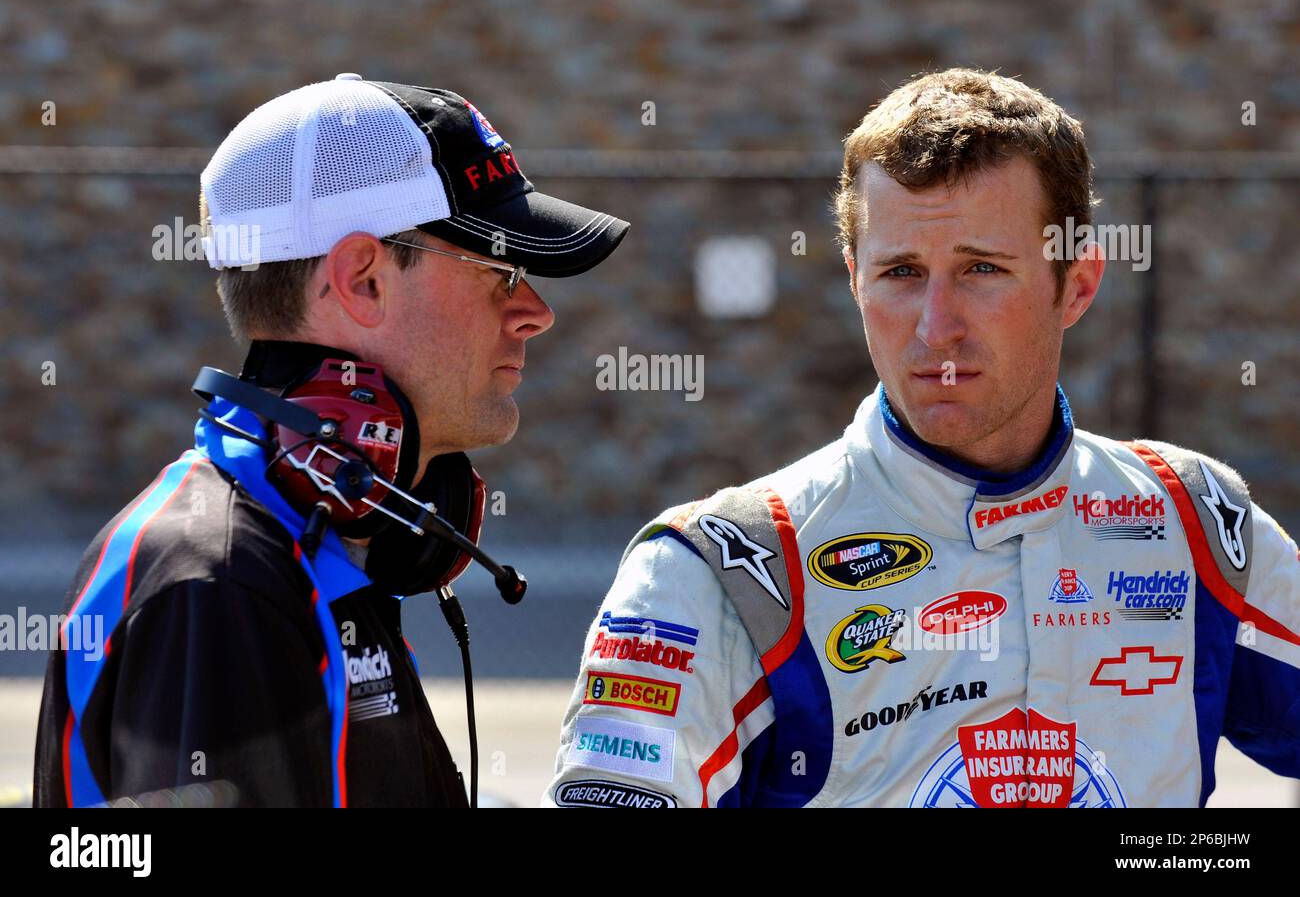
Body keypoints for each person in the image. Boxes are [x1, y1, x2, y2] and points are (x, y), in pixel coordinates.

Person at [547, 67, 1299, 808]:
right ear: (853, 279)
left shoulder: (1198, 523)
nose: (937, 327)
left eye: (982, 269)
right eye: (902, 272)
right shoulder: (719, 573)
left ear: (1077, 284)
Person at [34, 74, 628, 807]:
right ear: (364, 280)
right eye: (502, 270)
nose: (536, 312)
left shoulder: (321, 536)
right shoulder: (217, 583)